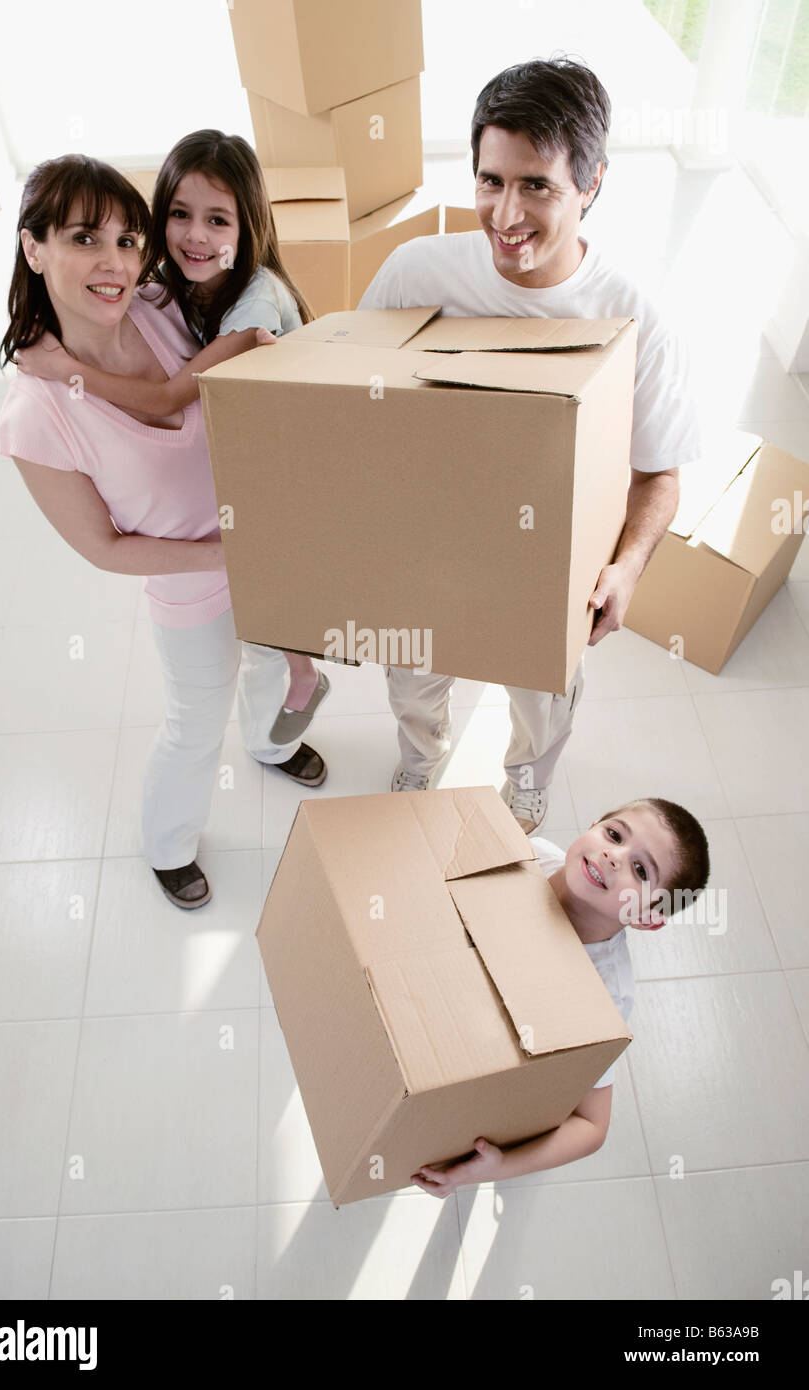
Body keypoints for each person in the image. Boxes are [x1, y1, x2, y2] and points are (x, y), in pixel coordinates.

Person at [358, 58, 701, 832]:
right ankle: (421, 757)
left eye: (535, 186)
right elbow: (353, 406)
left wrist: (625, 567)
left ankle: (526, 777)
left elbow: (658, 474)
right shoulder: (416, 271)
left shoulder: (633, 317)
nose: (504, 213)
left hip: (549, 566)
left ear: (591, 183)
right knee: (412, 677)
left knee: (543, 698)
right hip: (427, 544)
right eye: (489, 180)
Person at [0, 154, 326, 910]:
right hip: (194, 582)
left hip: (270, 537)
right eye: (85, 239)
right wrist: (228, 555)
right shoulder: (33, 414)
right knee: (193, 726)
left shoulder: (152, 303)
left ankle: (273, 743)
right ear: (34, 247)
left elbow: (217, 363)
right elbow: (103, 548)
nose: (113, 264)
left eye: (125, 239)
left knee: (277, 667)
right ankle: (168, 844)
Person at [411, 796, 710, 1196]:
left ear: (647, 918)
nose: (613, 856)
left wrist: (496, 1167)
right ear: (591, 825)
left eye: (640, 870)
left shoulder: (604, 996)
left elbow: (592, 1127)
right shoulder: (531, 856)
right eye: (614, 834)